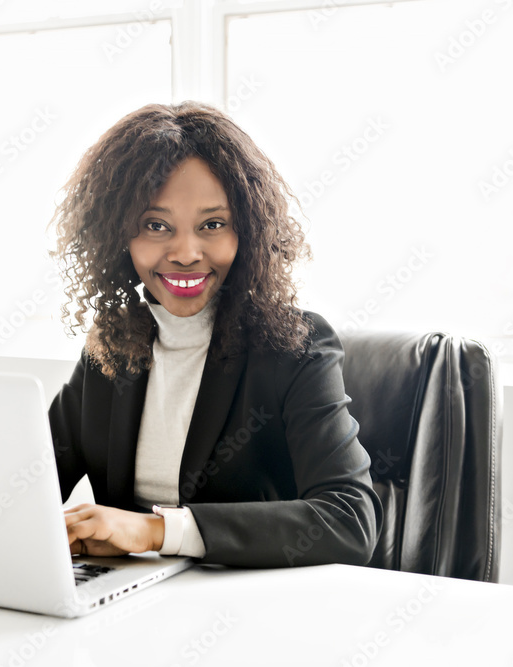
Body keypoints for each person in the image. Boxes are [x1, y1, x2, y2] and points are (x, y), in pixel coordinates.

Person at [45, 101, 382, 568]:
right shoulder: (114, 345)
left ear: (246, 231)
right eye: (156, 225)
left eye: (213, 225)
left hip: (248, 613)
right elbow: (29, 487)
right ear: (117, 234)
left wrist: (156, 531)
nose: (185, 253)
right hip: (124, 606)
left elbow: (349, 521)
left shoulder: (295, 347)